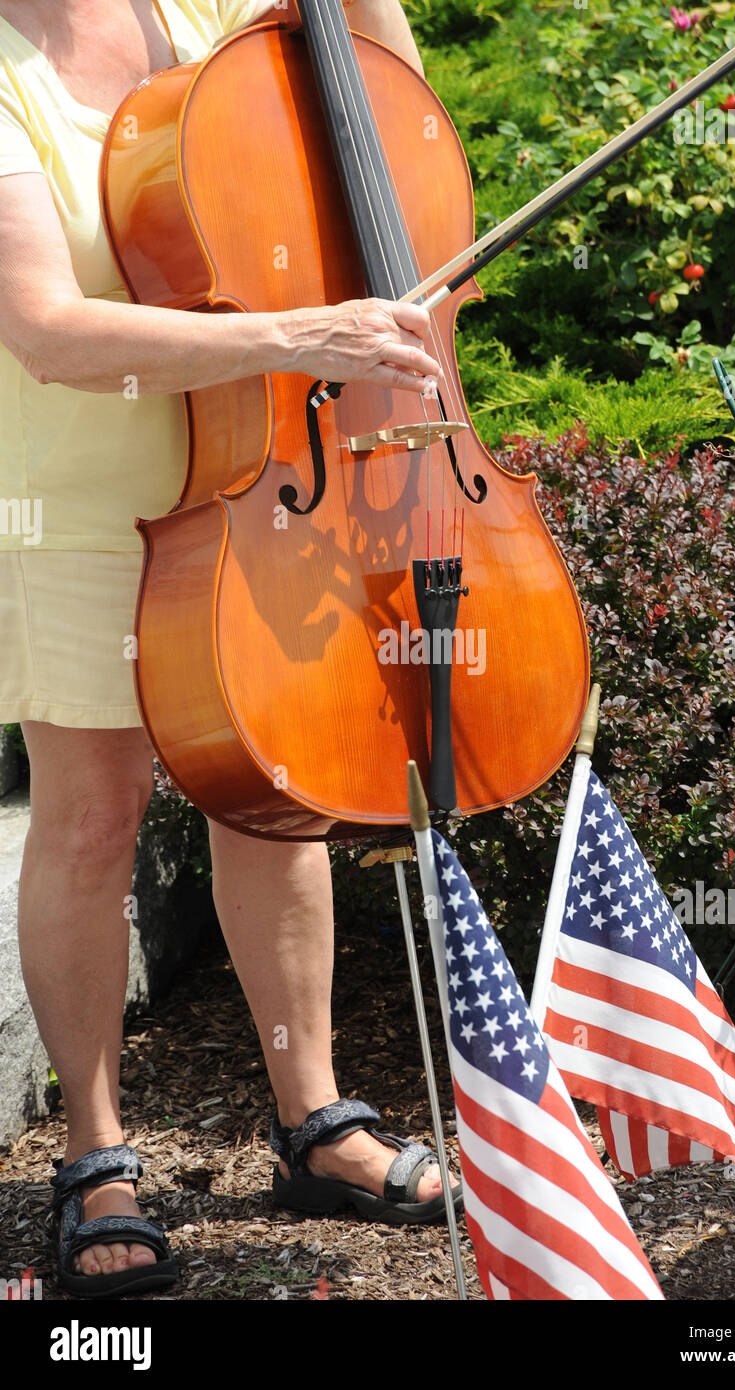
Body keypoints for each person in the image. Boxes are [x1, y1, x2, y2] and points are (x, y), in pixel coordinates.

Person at [0, 0, 457, 1299]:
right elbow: (43, 327)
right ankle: (94, 1159)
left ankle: (315, 1121)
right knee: (93, 814)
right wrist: (296, 336)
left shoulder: (196, 9)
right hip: (73, 499)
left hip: (253, 473)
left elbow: (387, 78)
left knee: (269, 795)